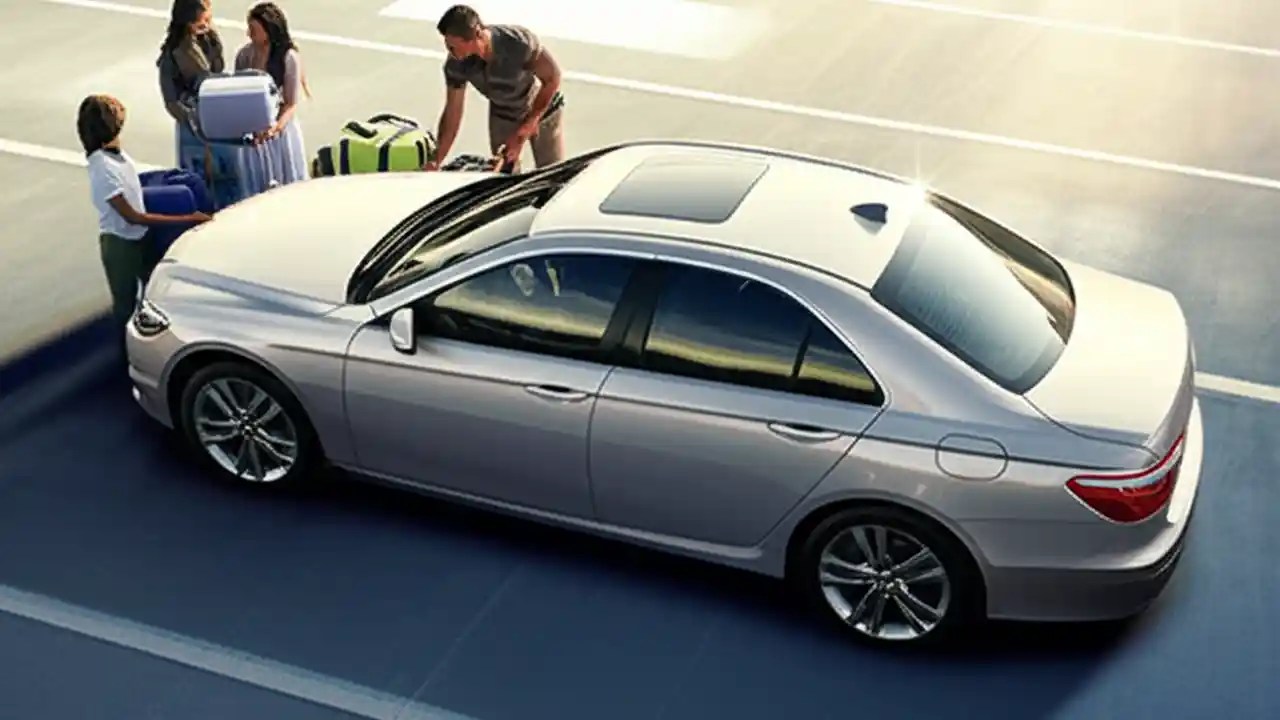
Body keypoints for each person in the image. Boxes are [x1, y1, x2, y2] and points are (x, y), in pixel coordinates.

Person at [77, 94, 211, 332]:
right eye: (112, 109)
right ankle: (127, 353)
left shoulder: (111, 152)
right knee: (125, 307)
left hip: (138, 237)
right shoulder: (103, 169)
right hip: (121, 247)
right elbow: (133, 216)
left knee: (158, 288)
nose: (119, 107)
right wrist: (189, 218)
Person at [426, 4, 565, 172]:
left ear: (476, 34)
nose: (450, 52)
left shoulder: (517, 43)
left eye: (453, 46)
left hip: (542, 110)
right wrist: (437, 160)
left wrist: (524, 130)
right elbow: (453, 113)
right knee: (503, 177)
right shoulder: (456, 65)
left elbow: (552, 78)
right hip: (504, 112)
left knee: (552, 176)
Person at [234, 1, 311, 185]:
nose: (249, 33)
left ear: (268, 29)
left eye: (253, 29)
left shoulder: (288, 57)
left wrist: (274, 128)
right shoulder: (244, 56)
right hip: (254, 133)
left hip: (280, 131)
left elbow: (290, 104)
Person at [157, 0, 226, 161]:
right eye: (201, 21)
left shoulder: (208, 40)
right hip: (193, 123)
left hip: (215, 113)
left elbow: (217, 68)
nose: (205, 25)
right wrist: (195, 120)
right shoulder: (173, 55)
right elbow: (171, 101)